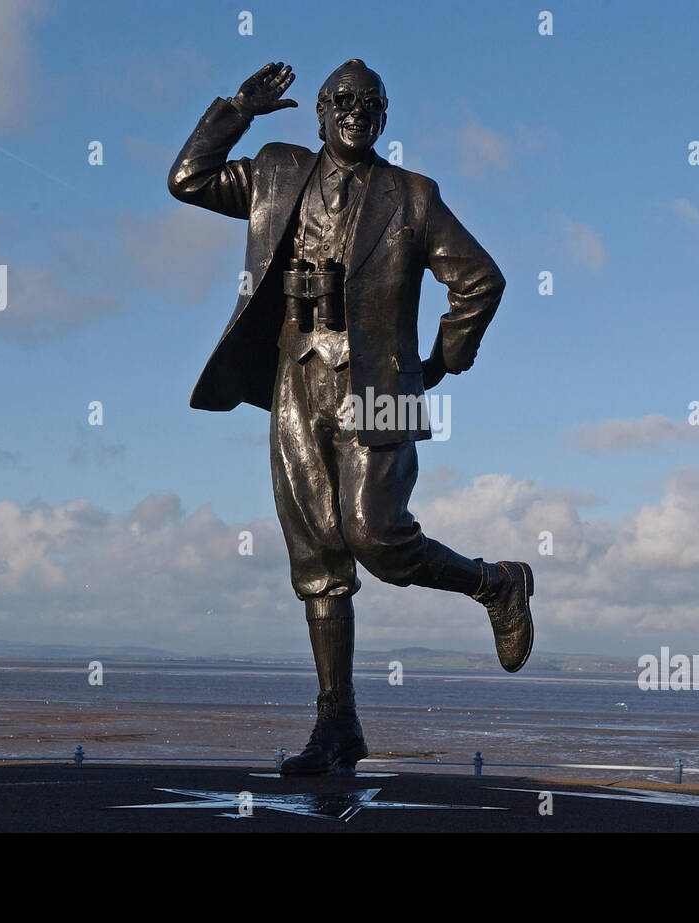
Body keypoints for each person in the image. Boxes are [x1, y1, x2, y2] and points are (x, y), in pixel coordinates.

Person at [169, 59, 535, 775]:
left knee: (374, 533)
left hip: (384, 387)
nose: (353, 110)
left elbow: (480, 280)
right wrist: (237, 109)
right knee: (319, 563)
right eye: (340, 99)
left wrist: (442, 361)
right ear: (319, 111)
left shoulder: (412, 197)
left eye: (368, 102)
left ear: (385, 115)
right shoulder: (276, 174)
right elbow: (187, 180)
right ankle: (337, 726)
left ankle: (497, 583)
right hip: (295, 381)